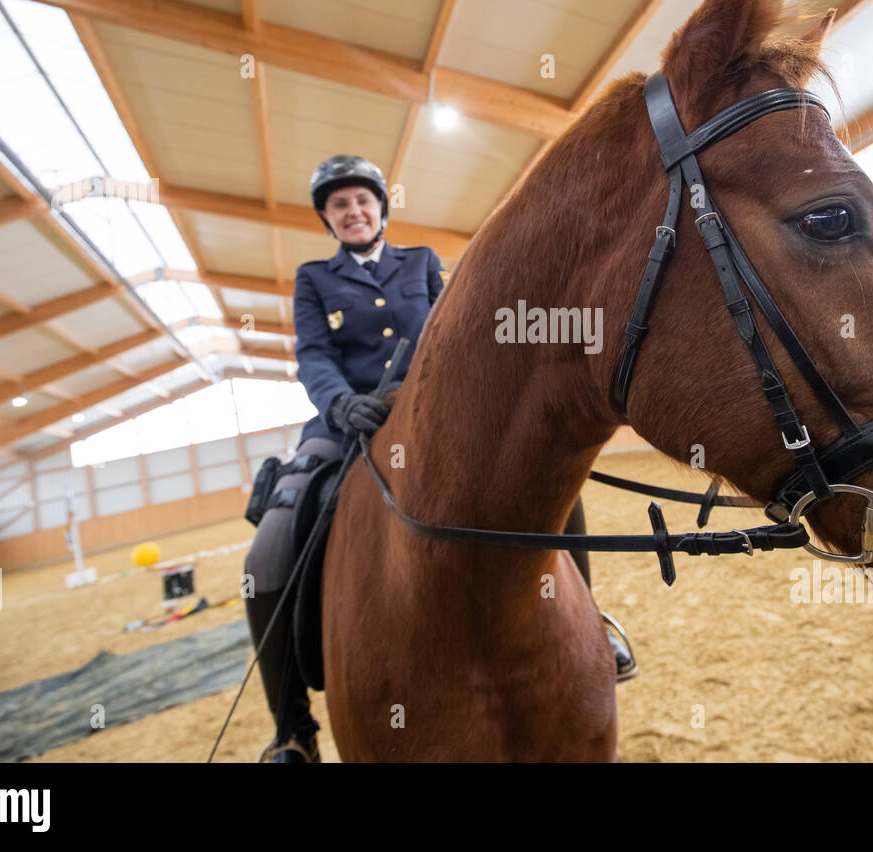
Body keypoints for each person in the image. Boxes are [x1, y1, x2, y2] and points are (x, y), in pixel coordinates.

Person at [243, 154, 635, 764]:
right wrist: (341, 403)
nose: (353, 211)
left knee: (554, 480)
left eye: (362, 201)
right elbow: (313, 355)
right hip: (344, 424)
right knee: (268, 546)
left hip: (428, 415)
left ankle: (592, 629)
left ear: (380, 207)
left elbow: (453, 333)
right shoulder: (314, 279)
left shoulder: (422, 263)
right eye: (339, 204)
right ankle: (291, 727)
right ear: (328, 218)